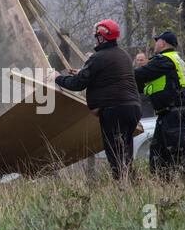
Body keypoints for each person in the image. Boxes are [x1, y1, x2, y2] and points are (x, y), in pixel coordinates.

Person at [49, 19, 141, 180]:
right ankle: (129, 183)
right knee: (125, 152)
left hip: (114, 110)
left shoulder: (99, 57)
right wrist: (82, 72)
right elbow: (108, 76)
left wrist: (57, 78)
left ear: (101, 37)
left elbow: (77, 85)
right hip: (132, 108)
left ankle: (123, 186)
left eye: (96, 36)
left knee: (115, 153)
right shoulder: (123, 54)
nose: (94, 39)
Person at [135, 31, 185, 180]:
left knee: (175, 150)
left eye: (157, 41)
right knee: (159, 151)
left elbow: (141, 74)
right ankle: (164, 182)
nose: (155, 44)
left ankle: (184, 182)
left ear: (163, 43)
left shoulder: (164, 60)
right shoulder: (175, 60)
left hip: (172, 111)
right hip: (172, 111)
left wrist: (121, 73)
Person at [134, 52, 155, 117]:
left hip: (150, 100)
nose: (139, 62)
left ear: (146, 60)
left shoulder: (151, 71)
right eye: (138, 60)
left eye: (141, 60)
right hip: (138, 100)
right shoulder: (133, 73)